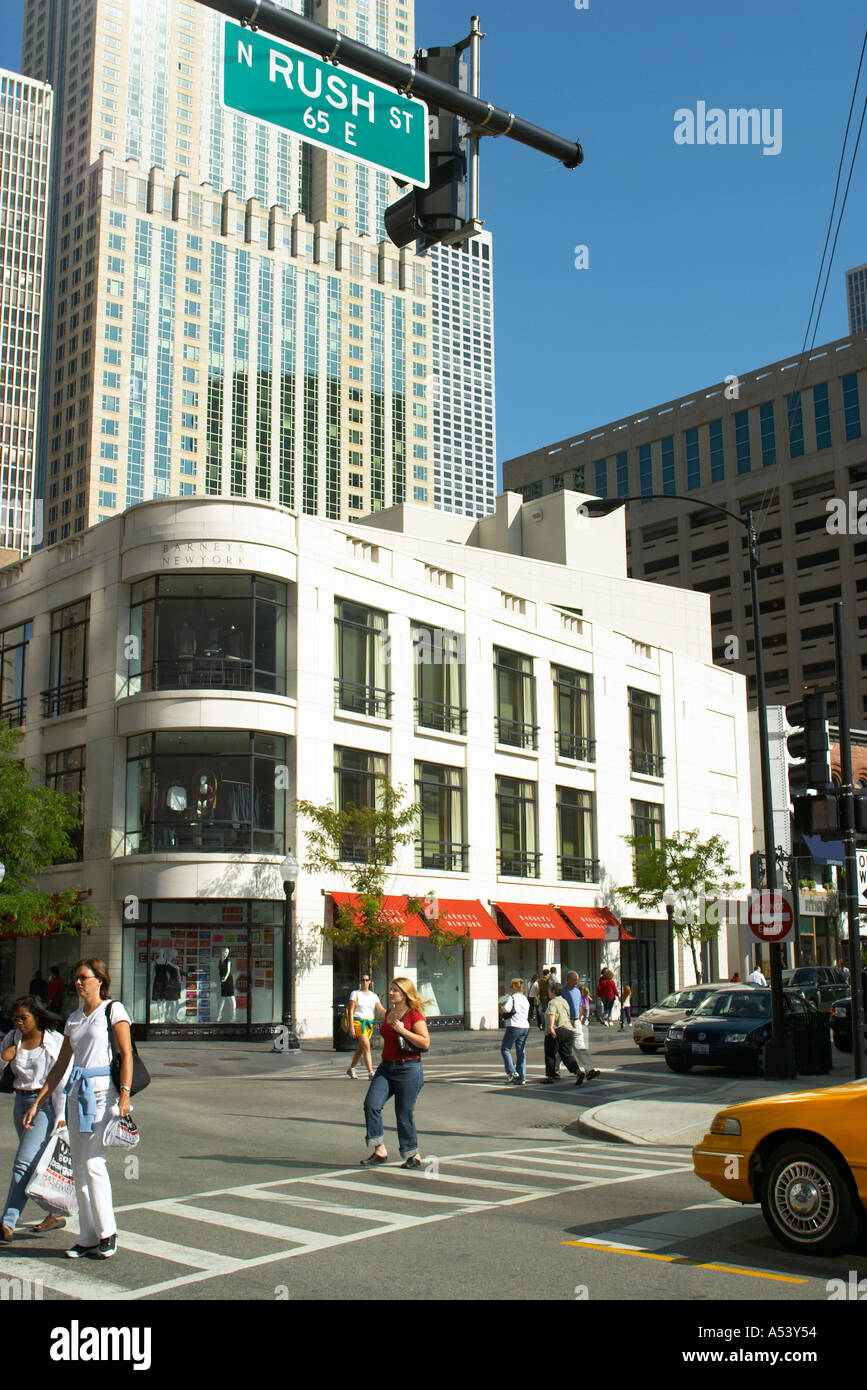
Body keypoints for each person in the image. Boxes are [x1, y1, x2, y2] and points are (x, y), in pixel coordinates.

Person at [24, 957, 133, 1260]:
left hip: (103, 1094)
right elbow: (61, 1064)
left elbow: (126, 1054)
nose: (79, 982)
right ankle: (87, 1236)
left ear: (100, 979)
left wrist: (124, 1095)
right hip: (76, 1095)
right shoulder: (73, 1018)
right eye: (76, 978)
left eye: (84, 977)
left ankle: (108, 1232)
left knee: (94, 1163)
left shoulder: (113, 1010)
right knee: (78, 1168)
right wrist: (39, 1100)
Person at [1, 996, 71, 1242]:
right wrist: (4, 1058)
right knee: (33, 1165)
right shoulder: (12, 1039)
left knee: (22, 1163)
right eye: (16, 1018)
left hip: (44, 1106)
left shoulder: (53, 1041)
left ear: (37, 1017)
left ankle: (7, 1222)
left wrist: (61, 1116)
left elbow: (62, 1082)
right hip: (20, 1103)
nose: (19, 1023)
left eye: (24, 1018)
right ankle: (55, 1212)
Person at [361, 978, 430, 1169]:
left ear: (405, 993)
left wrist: (403, 1031)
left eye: (395, 990)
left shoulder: (414, 1015)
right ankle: (379, 1150)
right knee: (371, 1104)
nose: (391, 993)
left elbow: (425, 1042)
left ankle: (412, 1155)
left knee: (403, 1113)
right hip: (386, 1067)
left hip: (409, 1068)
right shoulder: (390, 1012)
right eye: (390, 989)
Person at [542, 982, 583, 1084]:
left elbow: (552, 1014)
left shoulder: (552, 1002)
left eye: (549, 990)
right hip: (568, 1030)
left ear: (553, 991)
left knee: (550, 1053)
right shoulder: (564, 1001)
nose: (548, 992)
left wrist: (551, 1027)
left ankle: (550, 1076)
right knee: (566, 1054)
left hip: (557, 1029)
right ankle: (578, 1071)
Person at [346, 973, 385, 1080]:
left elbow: (380, 1009)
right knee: (367, 1046)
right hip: (359, 1023)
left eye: (366, 980)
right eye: (362, 980)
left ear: (370, 982)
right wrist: (351, 1027)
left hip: (369, 1024)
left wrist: (392, 1015)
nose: (364, 982)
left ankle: (352, 1068)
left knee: (361, 1049)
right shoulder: (355, 994)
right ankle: (371, 1072)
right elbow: (351, 1010)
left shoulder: (373, 996)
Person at [563, 972, 600, 1082]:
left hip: (576, 1022)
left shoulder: (577, 991)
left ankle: (590, 1069)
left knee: (581, 1047)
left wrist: (579, 1018)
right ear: (568, 980)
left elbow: (579, 1006)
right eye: (574, 979)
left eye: (577, 979)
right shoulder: (563, 991)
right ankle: (554, 1070)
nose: (576, 981)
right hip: (566, 1022)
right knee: (562, 1048)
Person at [500, 978, 531, 1084]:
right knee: (521, 1051)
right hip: (525, 1026)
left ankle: (512, 1072)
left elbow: (507, 1009)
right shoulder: (524, 999)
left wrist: (502, 1007)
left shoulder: (512, 998)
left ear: (513, 987)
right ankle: (522, 1077)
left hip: (514, 1025)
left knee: (505, 1048)